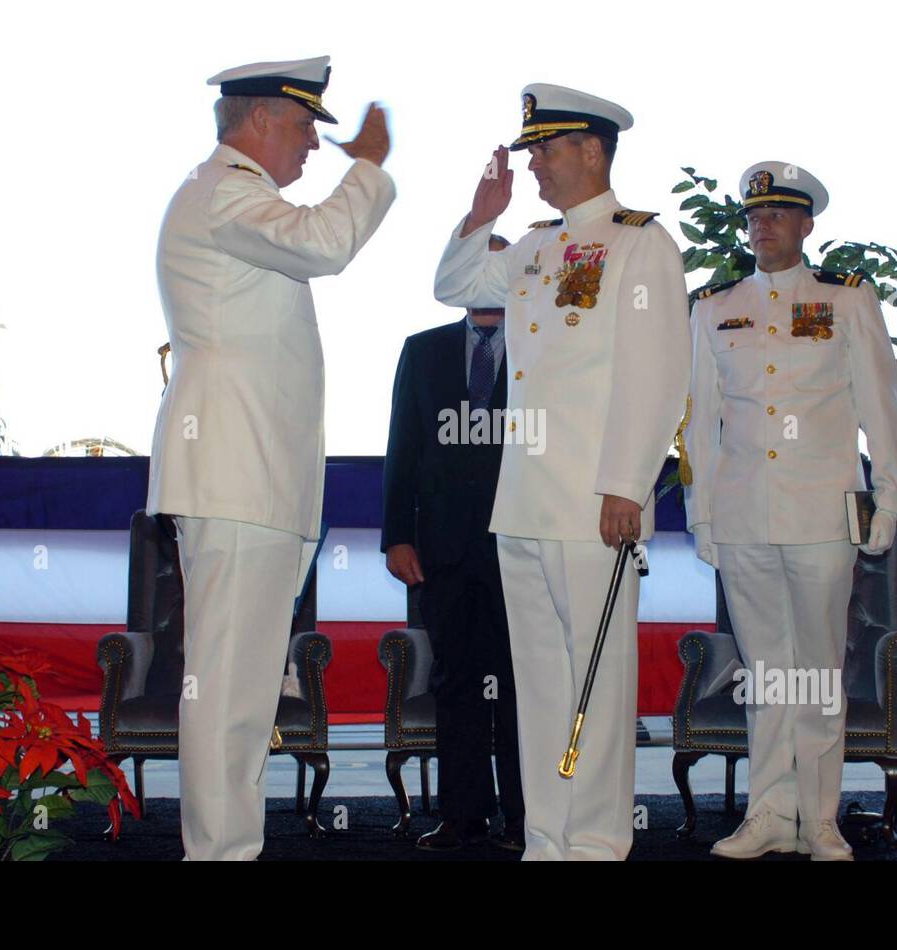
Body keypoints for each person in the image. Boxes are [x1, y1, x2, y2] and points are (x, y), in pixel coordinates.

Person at [146, 56, 394, 861]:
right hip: (234, 474)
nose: (314, 147)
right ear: (258, 121)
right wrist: (370, 166)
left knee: (246, 693)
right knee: (227, 692)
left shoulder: (232, 197)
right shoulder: (227, 193)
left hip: (255, 479)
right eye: (302, 128)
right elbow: (326, 243)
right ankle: (218, 854)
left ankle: (229, 849)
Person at [434, 84, 690, 860]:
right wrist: (482, 217)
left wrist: (626, 483)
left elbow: (657, 374)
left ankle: (600, 842)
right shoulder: (538, 245)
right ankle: (548, 838)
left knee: (597, 683)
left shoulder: (641, 243)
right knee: (540, 683)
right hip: (523, 502)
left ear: (590, 149)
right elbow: (454, 285)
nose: (535, 164)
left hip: (592, 498)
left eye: (544, 149)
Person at [683, 161, 897, 861]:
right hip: (746, 516)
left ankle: (822, 819)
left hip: (820, 517)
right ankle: (770, 815)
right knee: (768, 673)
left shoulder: (846, 301)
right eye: (754, 216)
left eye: (778, 215)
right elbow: (700, 419)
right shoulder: (715, 307)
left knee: (816, 669)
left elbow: (880, 407)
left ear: (807, 225)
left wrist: (888, 497)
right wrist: (702, 514)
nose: (762, 226)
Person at [381, 233, 526, 851]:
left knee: (522, 686)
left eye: (500, 264)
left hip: (524, 546)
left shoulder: (545, 350)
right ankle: (464, 816)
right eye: (478, 264)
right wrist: (397, 536)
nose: (487, 277)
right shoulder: (424, 351)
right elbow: (403, 450)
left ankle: (526, 822)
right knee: (457, 682)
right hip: (443, 551)